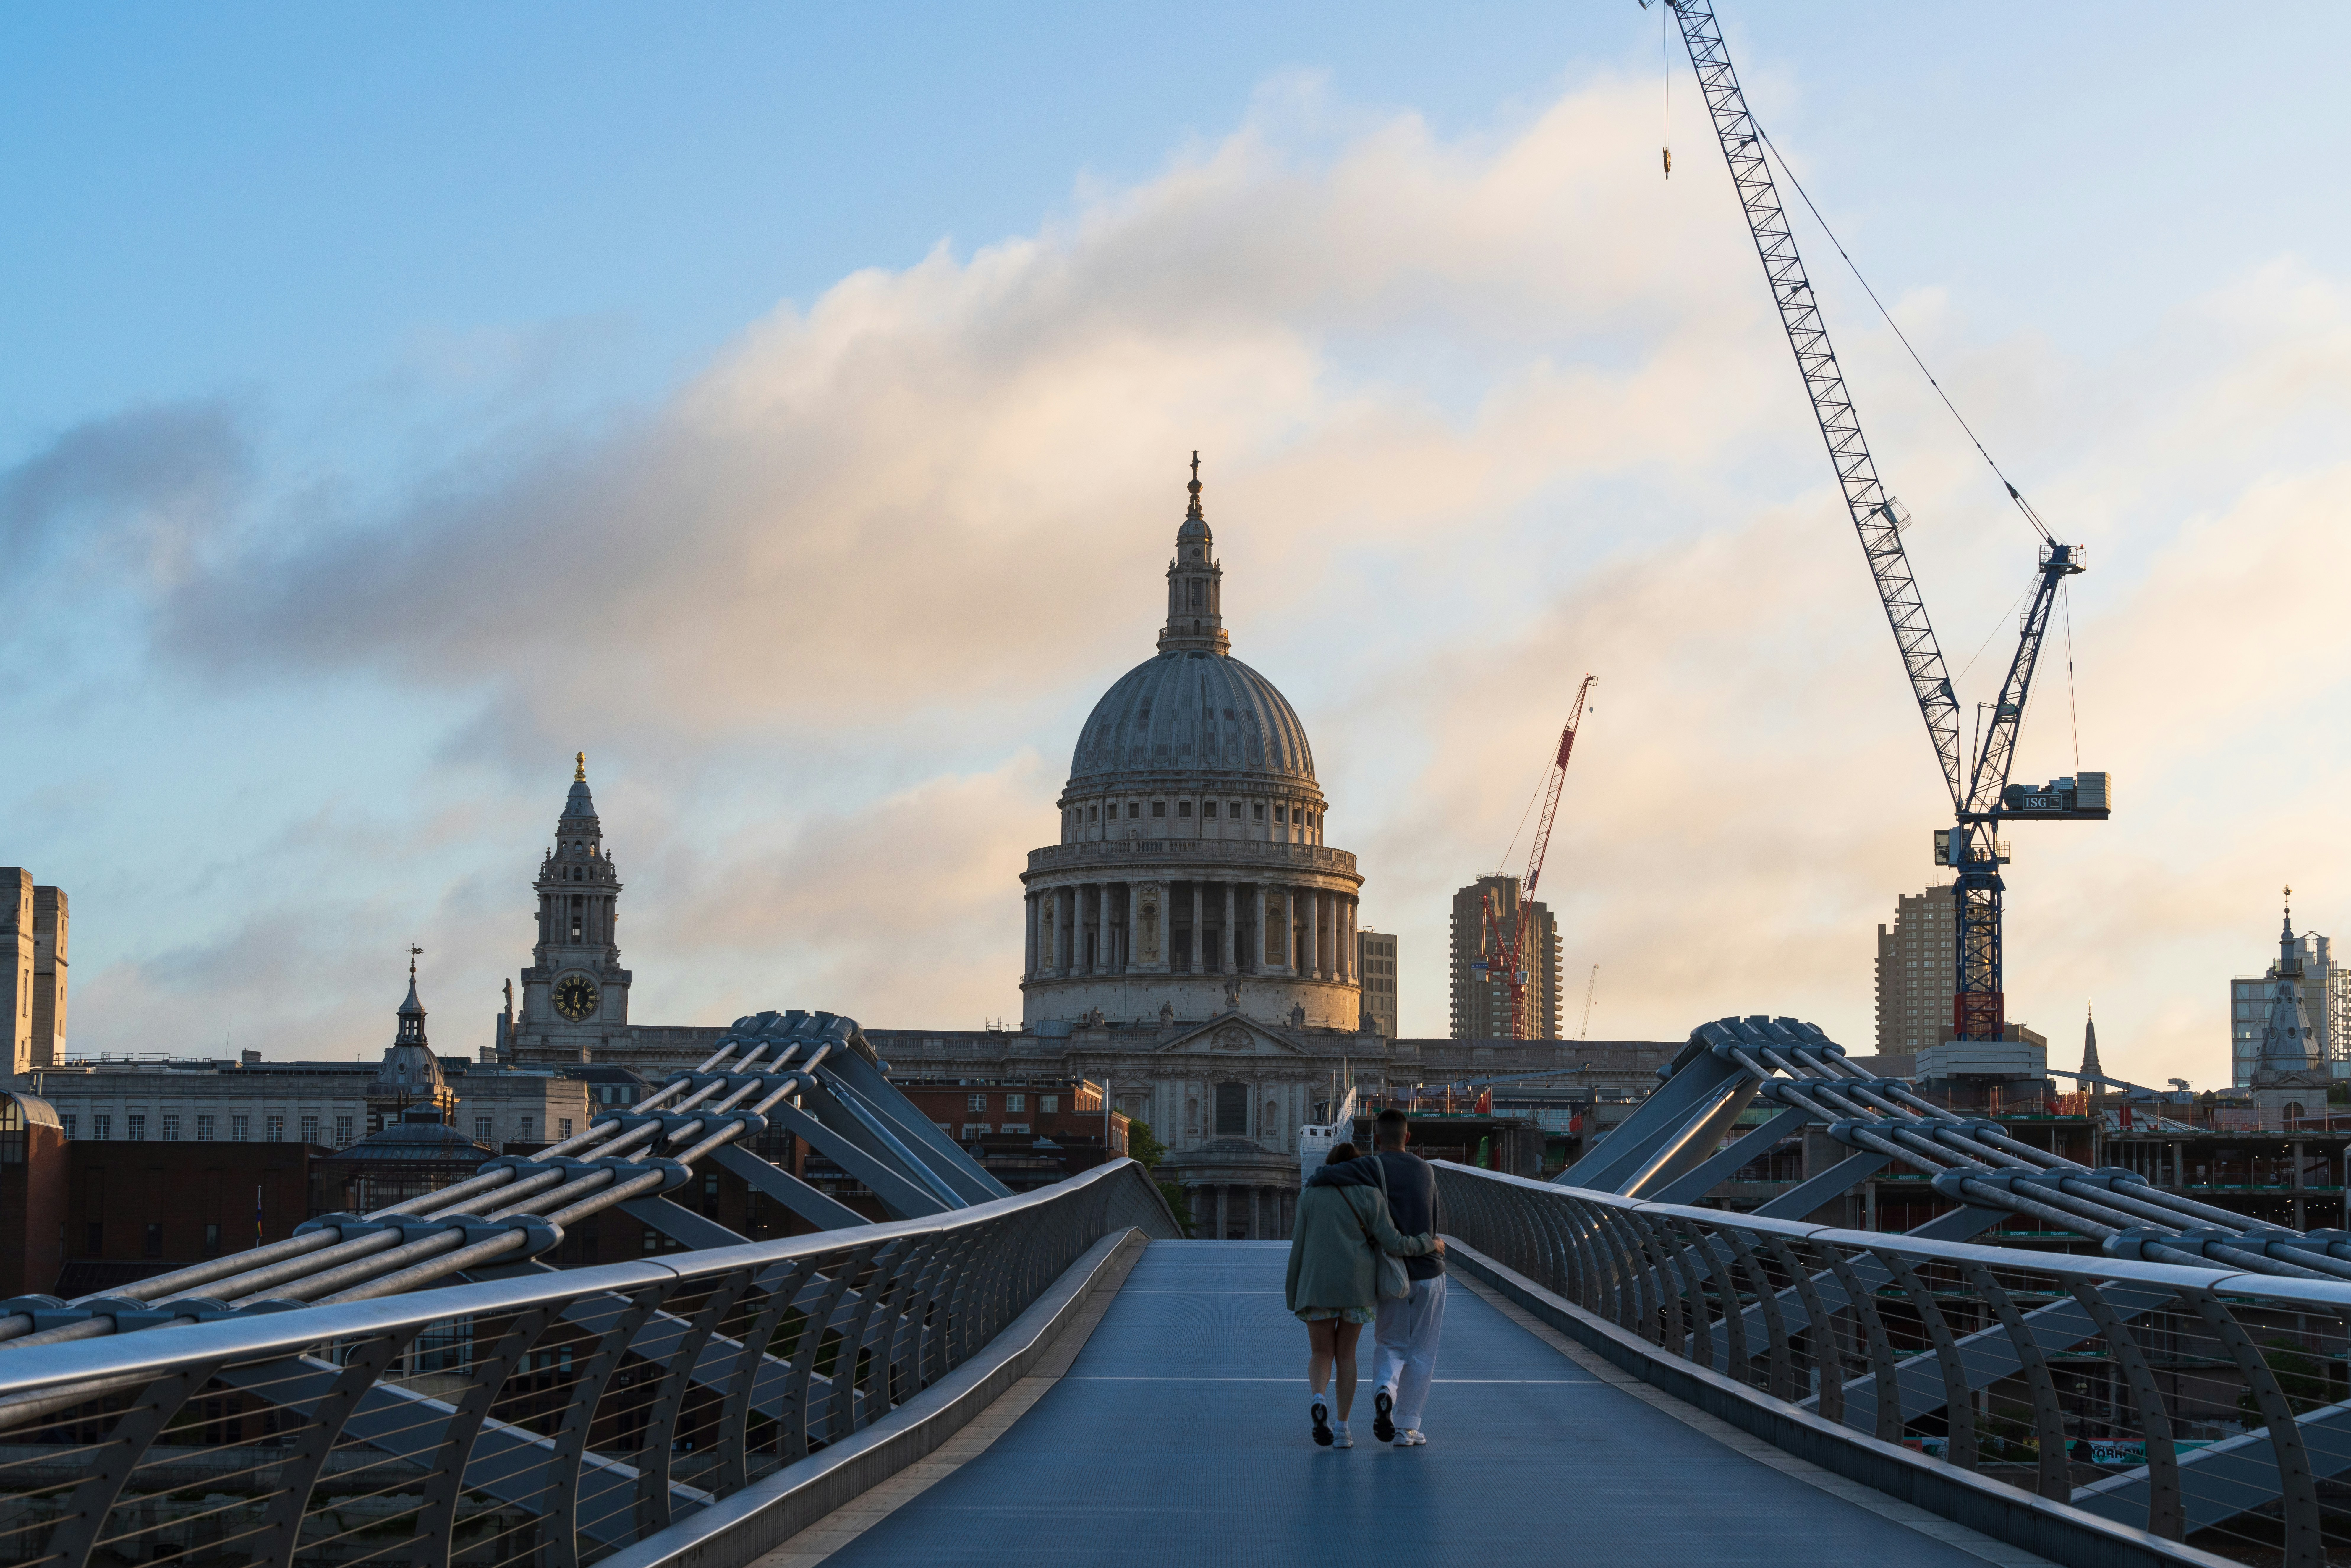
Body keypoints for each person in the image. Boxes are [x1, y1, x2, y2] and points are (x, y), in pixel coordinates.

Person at [1284, 1140, 1440, 1449]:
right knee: (1346, 1356)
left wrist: (1293, 1293)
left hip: (1315, 1286)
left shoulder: (1310, 1195)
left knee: (1320, 1354)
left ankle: (1319, 1400)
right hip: (1355, 1288)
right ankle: (1342, 1430)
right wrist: (1428, 1244)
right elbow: (1393, 1243)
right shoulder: (1369, 1195)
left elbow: (1297, 1246)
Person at [1366, 1107, 1443, 1446]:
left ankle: (1385, 1388)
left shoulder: (1370, 1168)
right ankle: (1407, 1426)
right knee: (1422, 1350)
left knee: (1390, 1343)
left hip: (1390, 1273)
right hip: (1428, 1271)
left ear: (1375, 1138)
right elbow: (1435, 1222)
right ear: (1408, 1138)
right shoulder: (1425, 1170)